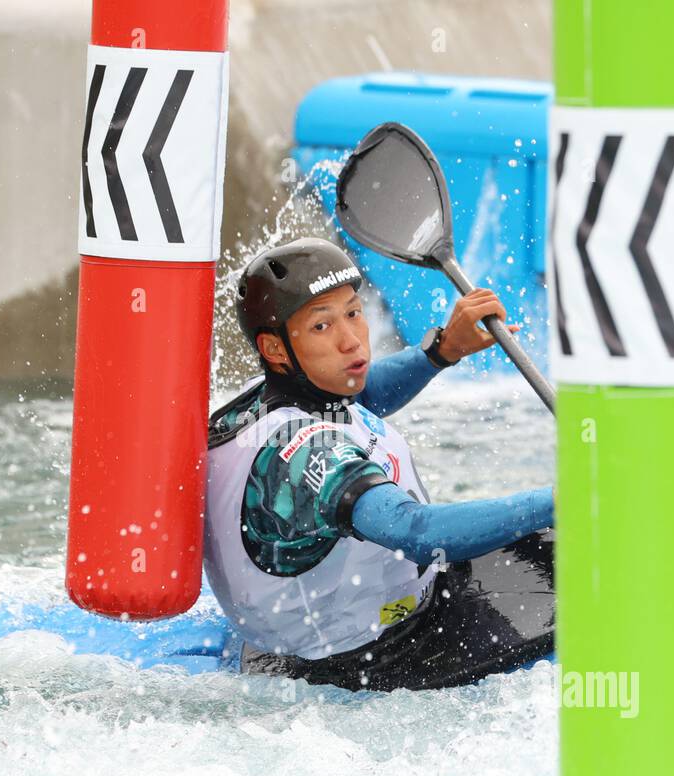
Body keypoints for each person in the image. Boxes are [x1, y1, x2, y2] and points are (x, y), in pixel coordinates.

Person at [203, 237, 555, 691]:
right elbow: (416, 533)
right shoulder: (300, 454)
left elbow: (362, 396)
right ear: (274, 348)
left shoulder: (273, 394)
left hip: (307, 638)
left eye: (353, 312)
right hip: (372, 660)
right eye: (321, 327)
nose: (351, 339)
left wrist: (442, 351)